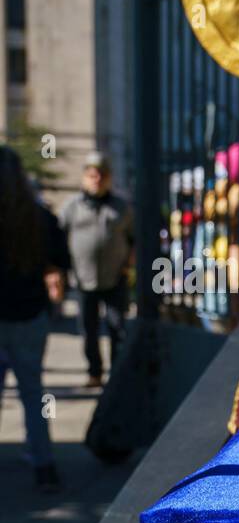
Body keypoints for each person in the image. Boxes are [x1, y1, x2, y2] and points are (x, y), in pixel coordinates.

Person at [0, 145, 71, 492]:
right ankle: (44, 465)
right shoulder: (39, 217)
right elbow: (61, 258)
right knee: (33, 393)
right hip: (29, 314)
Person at [60, 150, 133, 388]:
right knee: (89, 331)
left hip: (115, 278)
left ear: (109, 177)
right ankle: (94, 372)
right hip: (83, 280)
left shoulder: (122, 207)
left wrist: (129, 265)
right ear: (85, 177)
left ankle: (117, 376)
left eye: (101, 175)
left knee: (117, 329)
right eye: (92, 175)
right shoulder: (72, 207)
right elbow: (59, 239)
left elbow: (135, 239)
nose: (96, 179)